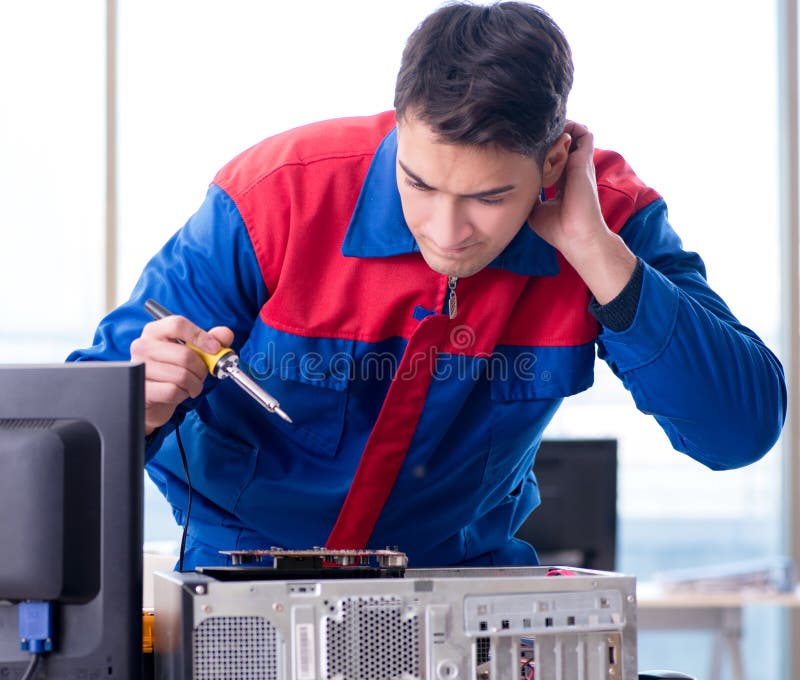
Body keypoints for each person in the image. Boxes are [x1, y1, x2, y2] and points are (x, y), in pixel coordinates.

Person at [70, 1, 786, 570]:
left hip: (461, 585)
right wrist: (140, 403)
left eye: (489, 198)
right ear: (400, 130)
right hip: (238, 579)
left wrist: (597, 256)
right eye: (419, 183)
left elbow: (737, 434)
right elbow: (72, 440)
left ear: (551, 163)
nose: (447, 232)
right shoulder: (274, 199)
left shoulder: (611, 220)